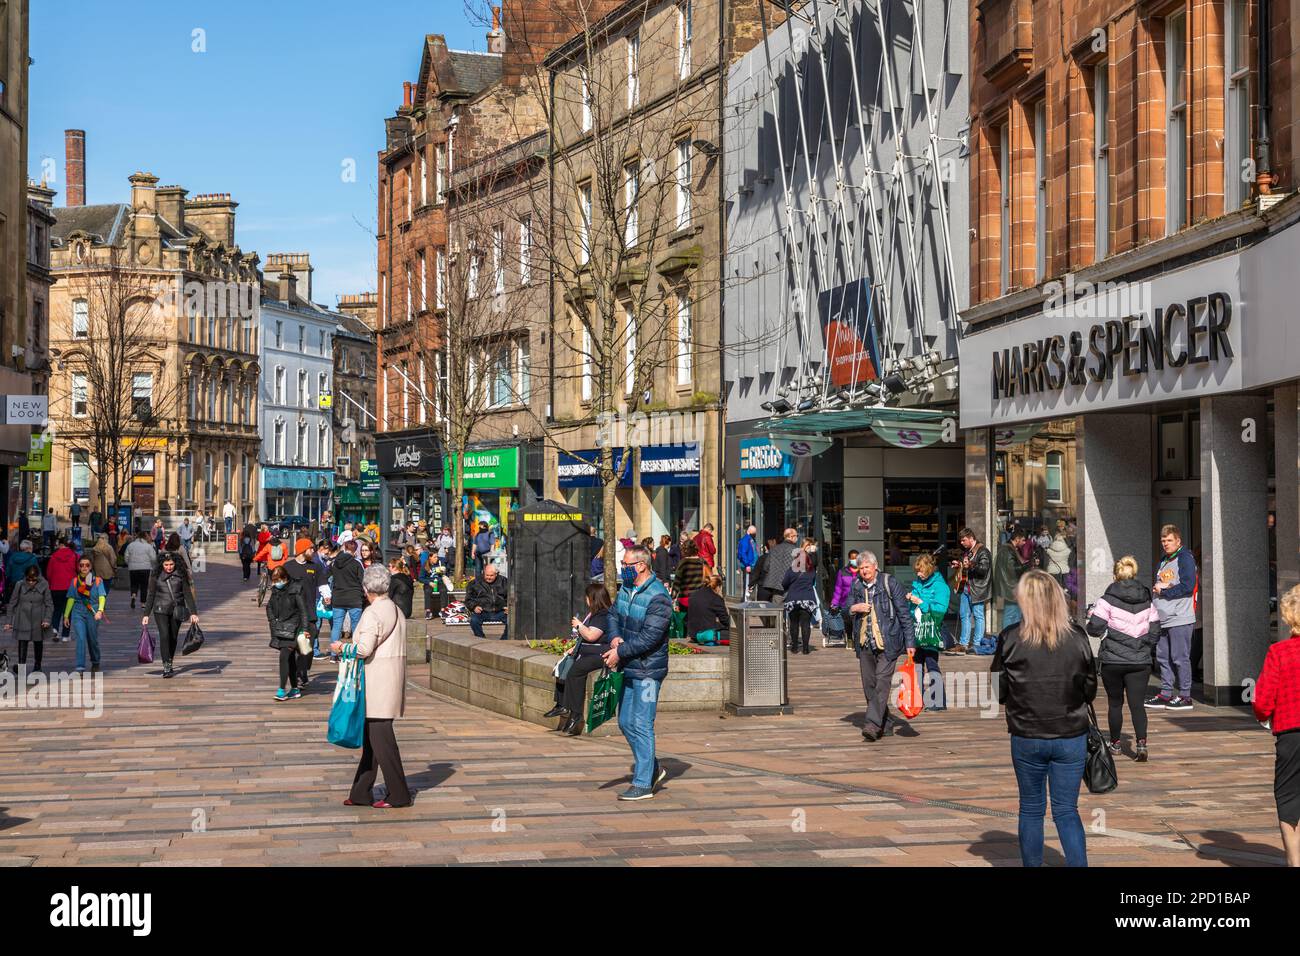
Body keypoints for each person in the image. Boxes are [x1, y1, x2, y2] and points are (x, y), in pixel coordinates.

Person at [991, 569, 1096, 868]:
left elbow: (997, 690)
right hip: (1070, 733)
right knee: (1066, 811)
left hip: (1027, 734)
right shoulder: (1076, 636)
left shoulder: (1011, 637)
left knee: (1031, 809)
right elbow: (1090, 689)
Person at [330, 564, 410, 809]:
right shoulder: (395, 609)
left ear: (366, 589)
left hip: (376, 682)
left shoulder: (372, 613)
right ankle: (361, 792)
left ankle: (399, 794)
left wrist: (342, 647)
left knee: (382, 743)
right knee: (373, 742)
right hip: (390, 680)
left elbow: (363, 649)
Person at [602, 546, 673, 801]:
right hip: (629, 666)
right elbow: (612, 615)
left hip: (648, 671)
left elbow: (650, 638)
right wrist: (615, 637)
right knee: (625, 722)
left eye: (626, 564)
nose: (623, 567)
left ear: (641, 565)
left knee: (642, 723)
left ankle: (643, 782)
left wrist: (620, 652)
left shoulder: (658, 597)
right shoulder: (626, 590)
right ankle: (651, 767)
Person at [1086, 555, 1161, 761]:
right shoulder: (1147, 600)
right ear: (1134, 574)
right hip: (1140, 662)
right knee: (1137, 704)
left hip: (1113, 660)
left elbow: (1094, 629)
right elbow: (1155, 632)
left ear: (1115, 576)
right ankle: (1141, 744)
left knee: (1115, 703)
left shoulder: (1106, 600)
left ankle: (1116, 744)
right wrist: (1143, 646)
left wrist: (1091, 615)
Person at [1252, 583, 1300, 867]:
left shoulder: (1280, 653)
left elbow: (1263, 701)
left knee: (1289, 797)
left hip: (1291, 734)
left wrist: (1264, 716)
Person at [849, 551, 915, 741]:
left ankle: (872, 724)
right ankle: (886, 724)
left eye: (867, 567)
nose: (864, 571)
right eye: (861, 568)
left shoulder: (889, 582)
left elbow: (904, 614)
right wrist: (855, 608)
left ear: (875, 567)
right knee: (869, 686)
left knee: (882, 683)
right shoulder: (856, 586)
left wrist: (910, 642)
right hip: (865, 643)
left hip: (888, 642)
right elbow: (847, 607)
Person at [545, 583, 613, 735]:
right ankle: (561, 704)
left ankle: (575, 714)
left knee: (576, 671)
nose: (585, 600)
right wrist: (574, 648)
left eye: (587, 597)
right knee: (562, 666)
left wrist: (579, 625)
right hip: (588, 652)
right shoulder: (593, 614)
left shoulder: (603, 615)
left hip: (600, 655)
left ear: (593, 598)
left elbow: (591, 635)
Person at [1147, 523, 1199, 711]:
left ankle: (1185, 696)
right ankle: (1165, 693)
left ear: (1178, 541)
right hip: (1163, 618)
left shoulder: (1185, 558)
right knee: (1163, 657)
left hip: (1180, 617)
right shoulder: (1164, 560)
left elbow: (1188, 585)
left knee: (1179, 657)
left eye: (1169, 540)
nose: (1165, 544)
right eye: (1163, 540)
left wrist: (1164, 591)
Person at [142, 551, 199, 679]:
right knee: (164, 635)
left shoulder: (181, 574)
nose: (169, 567)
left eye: (171, 564)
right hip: (160, 609)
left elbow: (187, 594)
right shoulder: (155, 575)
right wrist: (146, 614)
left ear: (175, 563)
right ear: (161, 564)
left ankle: (170, 660)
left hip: (177, 610)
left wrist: (193, 613)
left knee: (173, 637)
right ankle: (166, 666)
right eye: (166, 564)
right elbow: (150, 595)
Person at [908, 553, 952, 710]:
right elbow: (912, 609)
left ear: (929, 569)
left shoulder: (941, 586)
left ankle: (938, 702)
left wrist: (920, 602)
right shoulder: (917, 583)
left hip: (932, 630)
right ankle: (917, 699)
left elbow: (940, 610)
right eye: (917, 571)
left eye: (921, 570)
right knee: (916, 665)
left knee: (932, 664)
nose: (918, 574)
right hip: (918, 628)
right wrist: (912, 603)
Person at [948, 527, 991, 655]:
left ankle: (977, 644)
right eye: (961, 540)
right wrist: (959, 564)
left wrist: (970, 565)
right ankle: (963, 644)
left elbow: (983, 569)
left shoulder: (983, 551)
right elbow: (965, 564)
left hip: (977, 589)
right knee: (964, 615)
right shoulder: (968, 551)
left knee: (978, 615)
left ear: (972, 538)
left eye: (964, 540)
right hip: (966, 587)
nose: (962, 543)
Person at [265, 565, 306, 701]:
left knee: (284, 656)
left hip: (294, 629)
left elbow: (303, 611)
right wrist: (272, 620)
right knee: (290, 659)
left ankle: (281, 689)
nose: (276, 583)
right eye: (274, 581)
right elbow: (269, 606)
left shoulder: (295, 589)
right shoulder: (276, 590)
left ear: (285, 578)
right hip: (281, 628)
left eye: (278, 580)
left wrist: (304, 630)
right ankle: (294, 689)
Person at [64, 554, 107, 674]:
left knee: (92, 639)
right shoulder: (74, 582)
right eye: (81, 565)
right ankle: (80, 667)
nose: (84, 567)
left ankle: (95, 661)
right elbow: (71, 598)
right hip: (78, 612)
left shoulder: (97, 581)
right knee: (81, 638)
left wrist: (100, 610)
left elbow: (102, 596)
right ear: (78, 566)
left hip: (93, 611)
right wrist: (66, 615)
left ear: (91, 566)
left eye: (87, 565)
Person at [5, 564, 52, 673]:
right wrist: (8, 622)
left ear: (38, 577)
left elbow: (49, 604)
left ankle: (37, 666)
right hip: (23, 617)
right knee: (22, 642)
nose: (31, 582)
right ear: (25, 577)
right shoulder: (19, 585)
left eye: (33, 580)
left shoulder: (44, 585)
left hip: (38, 618)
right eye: (29, 580)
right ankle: (21, 667)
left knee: (38, 642)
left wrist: (47, 619)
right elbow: (12, 603)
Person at [283, 539, 322, 672]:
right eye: (311, 549)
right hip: (292, 614)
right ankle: (298, 674)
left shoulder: (315, 567)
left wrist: (327, 596)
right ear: (303, 550)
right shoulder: (288, 567)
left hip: (310, 614)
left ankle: (303, 670)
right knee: (293, 647)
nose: (313, 551)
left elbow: (322, 584)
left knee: (307, 649)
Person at [327, 539, 366, 654]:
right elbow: (363, 581)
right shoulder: (357, 563)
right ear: (355, 550)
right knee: (356, 627)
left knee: (337, 626)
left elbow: (329, 577)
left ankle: (334, 654)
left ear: (344, 548)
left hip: (338, 597)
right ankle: (356, 652)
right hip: (354, 598)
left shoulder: (335, 562)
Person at [782, 539, 820, 655]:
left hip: (793, 599)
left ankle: (794, 647)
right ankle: (805, 648)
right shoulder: (811, 571)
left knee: (793, 623)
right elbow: (813, 581)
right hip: (807, 599)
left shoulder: (791, 570)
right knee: (805, 624)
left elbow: (784, 583)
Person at [992, 529, 1030, 631]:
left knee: (1017, 615)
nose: (1024, 542)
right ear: (1017, 539)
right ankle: (1007, 638)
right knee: (1010, 615)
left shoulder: (1010, 549)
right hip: (1010, 589)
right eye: (1023, 540)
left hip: (1013, 588)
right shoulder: (1007, 550)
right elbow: (1013, 570)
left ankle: (1014, 638)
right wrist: (1027, 565)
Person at [45, 537, 78, 641]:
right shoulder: (75, 556)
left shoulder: (54, 556)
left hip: (55, 587)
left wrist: (51, 583)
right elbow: (79, 571)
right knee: (67, 611)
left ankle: (55, 629)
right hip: (70, 587)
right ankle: (65, 635)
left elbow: (49, 573)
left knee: (56, 610)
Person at [466, 563, 509, 639]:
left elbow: (511, 597)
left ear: (496, 574)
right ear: (484, 573)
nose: (489, 577)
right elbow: (468, 599)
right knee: (474, 620)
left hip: (500, 611)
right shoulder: (475, 583)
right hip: (483, 611)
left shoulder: (504, 581)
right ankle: (481, 638)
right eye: (487, 575)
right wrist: (474, 607)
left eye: (491, 575)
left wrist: (509, 607)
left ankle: (504, 640)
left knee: (513, 620)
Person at [686, 573, 729, 645]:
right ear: (718, 586)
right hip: (707, 633)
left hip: (693, 634)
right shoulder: (716, 598)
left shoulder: (694, 594)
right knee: (735, 634)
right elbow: (724, 620)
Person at [758, 528, 798, 602]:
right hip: (790, 586)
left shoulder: (774, 549)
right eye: (796, 536)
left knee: (777, 609)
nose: (797, 538)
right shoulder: (796, 551)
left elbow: (766, 567)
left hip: (775, 586)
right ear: (791, 536)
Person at [830, 549, 859, 646]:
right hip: (845, 602)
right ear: (849, 559)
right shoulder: (843, 572)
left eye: (856, 558)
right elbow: (838, 588)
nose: (854, 560)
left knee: (858, 622)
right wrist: (834, 603)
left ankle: (858, 641)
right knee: (848, 622)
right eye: (852, 558)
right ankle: (850, 638)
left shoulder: (863, 571)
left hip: (859, 600)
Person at [3, 540, 39, 612]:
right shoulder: (32, 558)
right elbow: (37, 572)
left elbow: (7, 572)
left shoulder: (13, 557)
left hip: (14, 583)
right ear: (28, 548)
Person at [124, 531, 157, 610]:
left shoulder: (130, 545)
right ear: (145, 537)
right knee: (144, 586)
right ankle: (143, 603)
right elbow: (153, 558)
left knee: (134, 584)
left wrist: (130, 563)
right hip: (145, 568)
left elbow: (126, 557)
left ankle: (134, 595)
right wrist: (152, 564)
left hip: (133, 568)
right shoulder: (148, 546)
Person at [670, 538, 706, 609]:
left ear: (685, 550)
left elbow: (677, 582)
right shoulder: (702, 562)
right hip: (700, 598)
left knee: (685, 619)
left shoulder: (684, 562)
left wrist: (673, 597)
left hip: (685, 598)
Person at [418, 551, 447, 620]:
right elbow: (420, 578)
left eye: (437, 557)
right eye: (435, 557)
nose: (437, 558)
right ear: (430, 558)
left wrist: (444, 570)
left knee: (443, 590)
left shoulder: (439, 564)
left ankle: (442, 611)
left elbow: (445, 573)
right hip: (429, 583)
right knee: (427, 591)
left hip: (439, 582)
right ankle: (428, 612)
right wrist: (429, 582)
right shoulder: (425, 565)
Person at [737, 524, 758, 594]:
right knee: (747, 583)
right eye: (754, 532)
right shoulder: (745, 540)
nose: (755, 534)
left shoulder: (751, 539)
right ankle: (745, 599)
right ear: (750, 532)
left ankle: (749, 593)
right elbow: (743, 553)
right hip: (748, 565)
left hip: (752, 564)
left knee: (751, 582)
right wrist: (747, 565)